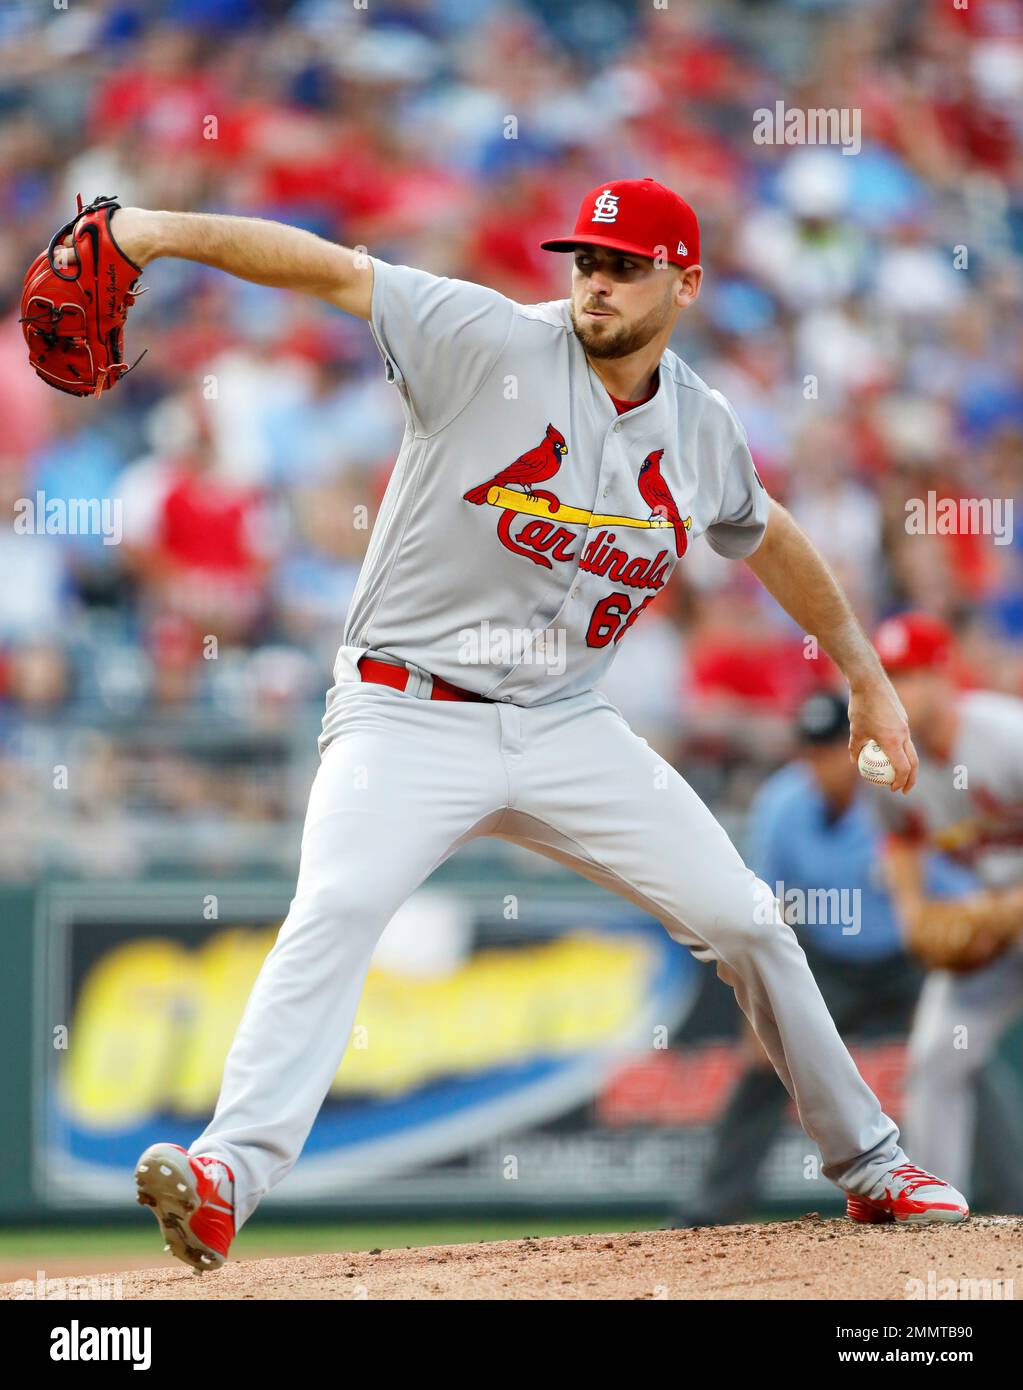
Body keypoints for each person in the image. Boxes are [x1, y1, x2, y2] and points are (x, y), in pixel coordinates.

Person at [113, 178, 968, 1273]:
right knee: (337, 906)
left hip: (566, 723)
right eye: (586, 262)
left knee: (748, 922)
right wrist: (152, 231)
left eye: (625, 266)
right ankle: (228, 1171)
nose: (597, 282)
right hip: (406, 709)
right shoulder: (484, 337)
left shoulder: (698, 424)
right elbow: (330, 267)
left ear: (685, 284)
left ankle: (873, 1163)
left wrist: (864, 671)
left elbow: (764, 530)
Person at [674, 691, 975, 1227]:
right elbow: (761, 908)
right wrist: (759, 1010)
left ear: (856, 749)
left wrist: (959, 933)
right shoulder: (781, 803)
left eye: (834, 748)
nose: (823, 763)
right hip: (828, 965)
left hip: (904, 963)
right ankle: (709, 1213)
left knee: (965, 1053)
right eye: (813, 751)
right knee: (763, 1069)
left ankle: (1009, 1198)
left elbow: (951, 885)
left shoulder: (893, 794)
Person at [872, 612, 1023, 1210]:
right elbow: (901, 837)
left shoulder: (1005, 736)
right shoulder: (888, 759)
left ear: (943, 673)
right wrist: (912, 912)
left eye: (910, 674)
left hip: (1000, 909)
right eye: (889, 677)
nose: (899, 690)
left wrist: (1006, 909)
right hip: (992, 921)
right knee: (936, 1057)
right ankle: (935, 1219)